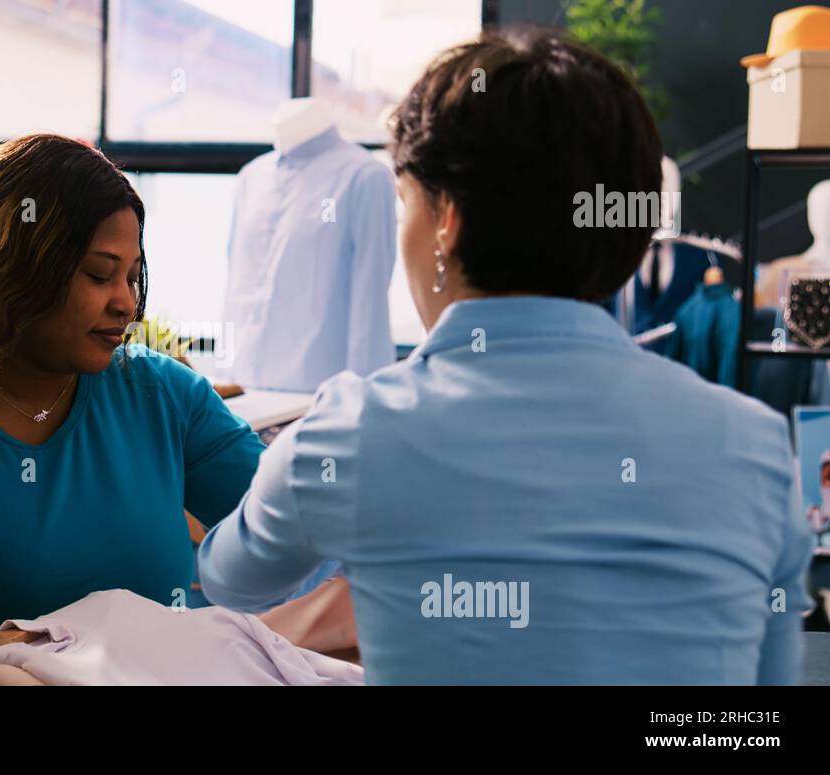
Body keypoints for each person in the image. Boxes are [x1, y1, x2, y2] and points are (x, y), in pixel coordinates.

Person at [197, 28, 816, 685]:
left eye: (406, 202)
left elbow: (230, 577)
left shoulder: (349, 432)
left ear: (447, 220)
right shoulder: (757, 447)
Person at [0, 134, 270, 649]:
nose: (126, 302)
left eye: (131, 276)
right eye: (100, 274)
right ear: (13, 268)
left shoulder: (161, 394)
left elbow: (293, 535)